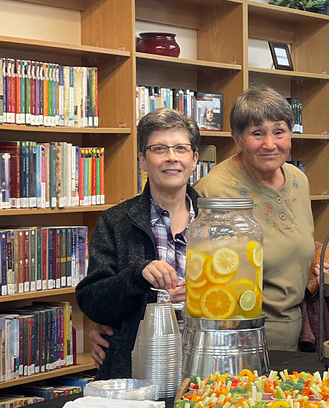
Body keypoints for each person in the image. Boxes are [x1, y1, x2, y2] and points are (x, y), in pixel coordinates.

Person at [77, 108, 200, 378]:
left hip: (204, 366)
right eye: (159, 149)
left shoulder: (216, 220)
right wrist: (136, 276)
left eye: (181, 148)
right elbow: (92, 301)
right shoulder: (115, 221)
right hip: (136, 371)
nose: (171, 158)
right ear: (143, 160)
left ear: (194, 160)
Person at [194, 86, 315, 351]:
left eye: (279, 132)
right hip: (237, 343)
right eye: (257, 133)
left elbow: (297, 245)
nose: (270, 144)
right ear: (237, 139)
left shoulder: (298, 179)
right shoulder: (212, 192)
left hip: (293, 340)